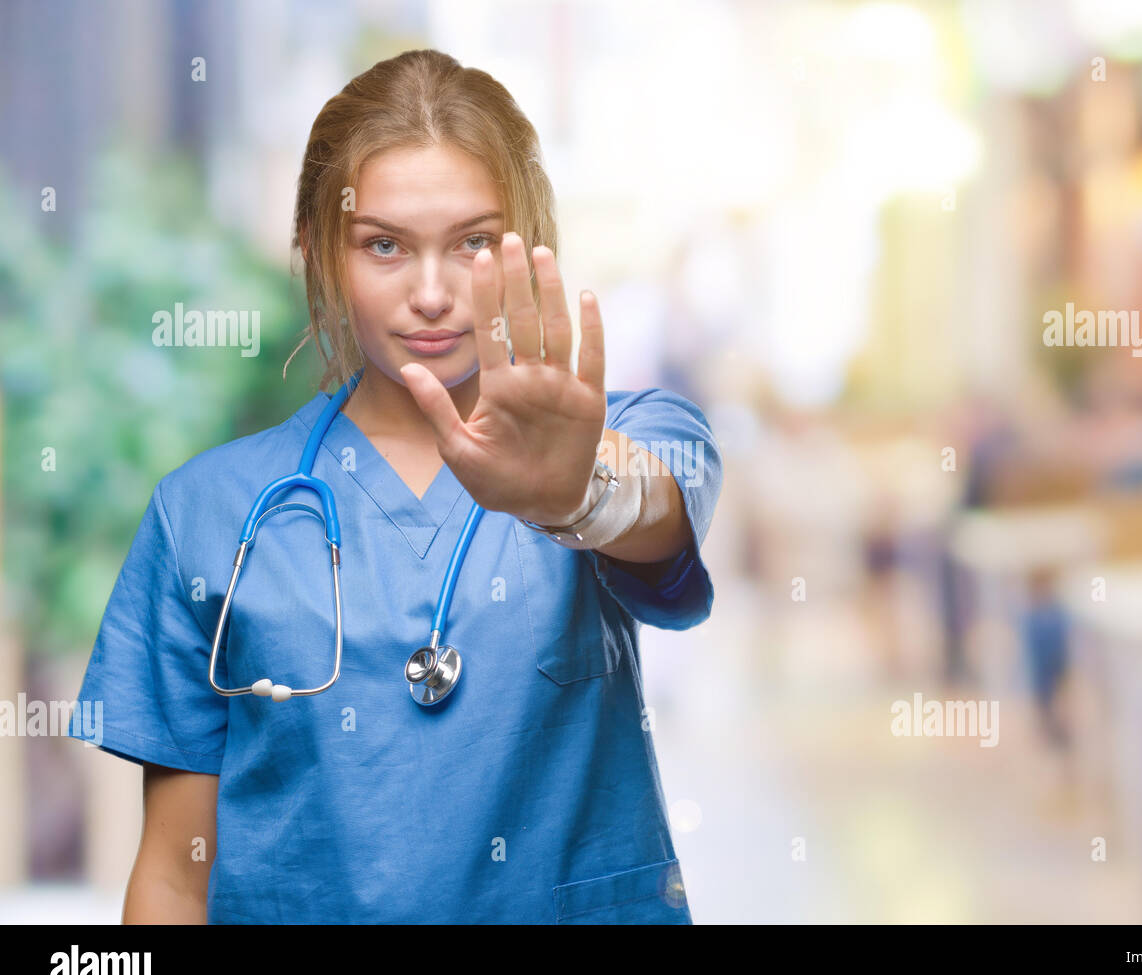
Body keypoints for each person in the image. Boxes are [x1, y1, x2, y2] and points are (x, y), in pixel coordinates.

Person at [67, 49, 722, 925]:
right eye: (383, 245)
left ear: (530, 243)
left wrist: (579, 495)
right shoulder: (205, 514)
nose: (431, 293)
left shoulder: (631, 437)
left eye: (474, 244)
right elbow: (175, 875)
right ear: (317, 253)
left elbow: (658, 514)